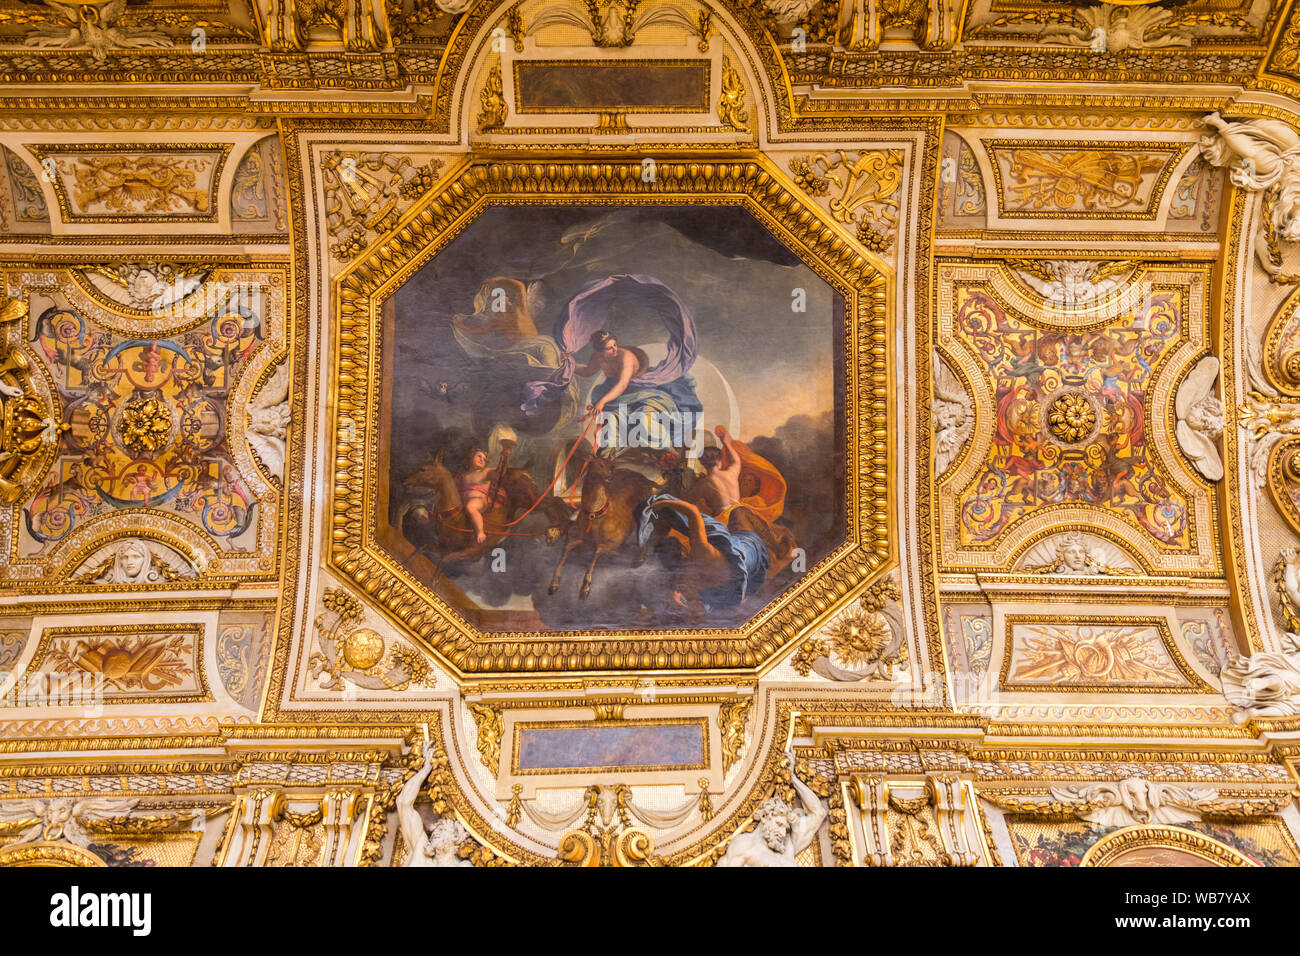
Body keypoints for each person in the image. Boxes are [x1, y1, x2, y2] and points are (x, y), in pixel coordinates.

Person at [455, 447, 501, 544]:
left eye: (484, 459)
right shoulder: (463, 475)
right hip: (462, 502)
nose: (482, 460)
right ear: (471, 457)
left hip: (479, 501)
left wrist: (504, 457)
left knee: (471, 507)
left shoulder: (486, 472)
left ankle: (480, 532)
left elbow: (500, 471)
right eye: (479, 456)